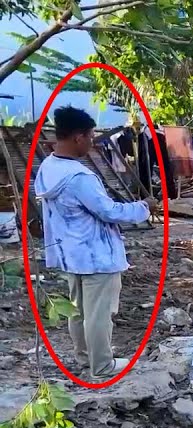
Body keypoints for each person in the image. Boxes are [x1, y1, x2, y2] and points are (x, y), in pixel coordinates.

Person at [34, 106, 153, 381]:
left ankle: (85, 358)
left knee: (78, 312)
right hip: (96, 255)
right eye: (89, 136)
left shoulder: (48, 168)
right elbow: (109, 211)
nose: (91, 142)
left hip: (70, 253)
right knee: (99, 314)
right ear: (77, 137)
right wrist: (143, 207)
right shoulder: (79, 177)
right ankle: (102, 366)